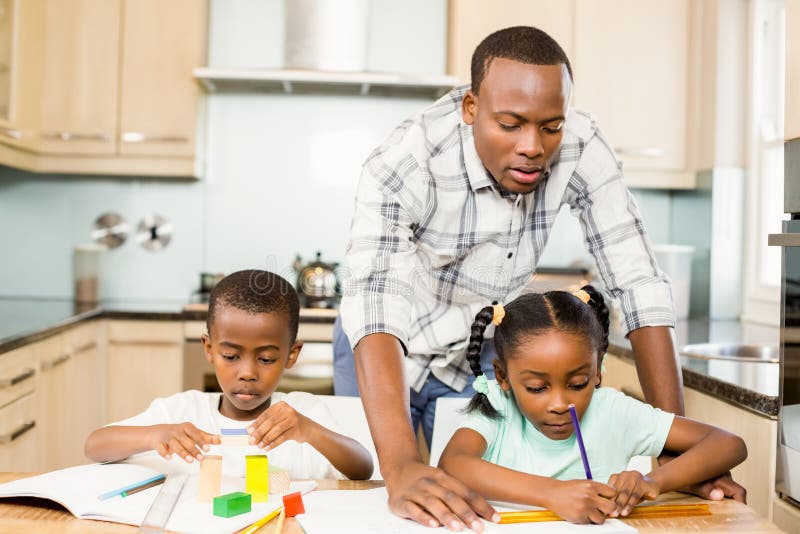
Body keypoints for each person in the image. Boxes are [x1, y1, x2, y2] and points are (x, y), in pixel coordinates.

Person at [335, 25, 743, 530]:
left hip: (475, 355)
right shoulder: (406, 159)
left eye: (551, 126)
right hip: (386, 349)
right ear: (471, 108)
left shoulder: (581, 143)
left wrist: (674, 458)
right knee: (384, 497)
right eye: (510, 124)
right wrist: (399, 466)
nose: (533, 147)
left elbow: (638, 282)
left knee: (462, 510)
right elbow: (376, 303)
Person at [438, 286, 747, 525]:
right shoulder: (498, 407)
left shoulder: (613, 411)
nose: (560, 404)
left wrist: (652, 482)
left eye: (577, 384)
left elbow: (729, 444)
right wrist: (551, 493)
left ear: (597, 370)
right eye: (537, 388)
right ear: (503, 377)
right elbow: (452, 463)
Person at [85, 270, 373, 481]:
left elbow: (363, 469)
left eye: (266, 359)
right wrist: (154, 434)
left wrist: (309, 430)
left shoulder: (302, 412)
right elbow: (94, 446)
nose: (247, 373)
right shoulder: (181, 410)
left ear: (291, 355)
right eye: (231, 356)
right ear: (209, 349)